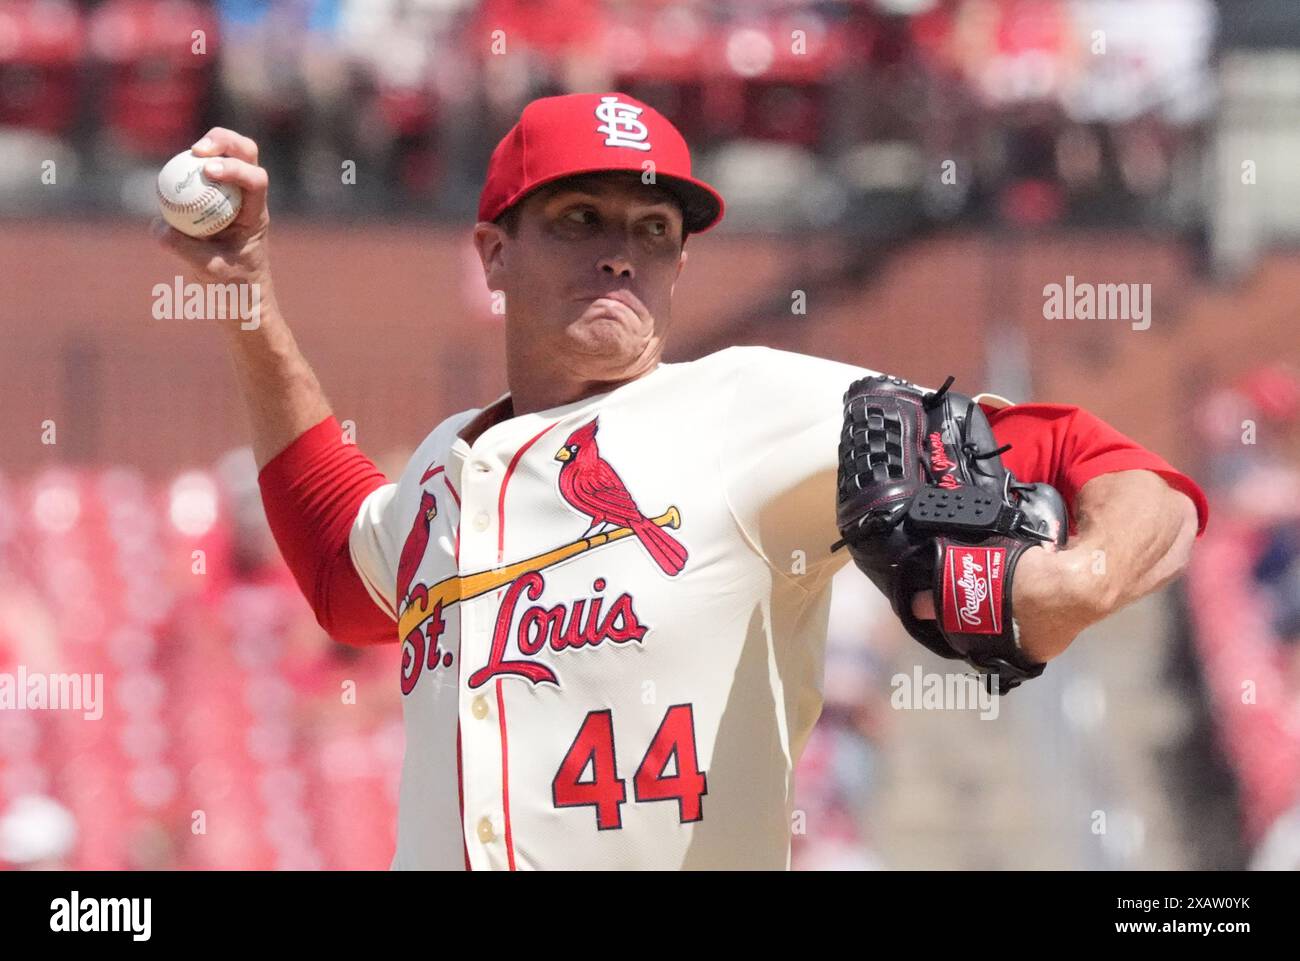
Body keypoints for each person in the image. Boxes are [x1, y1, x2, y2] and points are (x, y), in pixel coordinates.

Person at [154, 92, 1208, 870]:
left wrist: (1082, 577)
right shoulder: (443, 464)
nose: (623, 254)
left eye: (653, 230)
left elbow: (1096, 456)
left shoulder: (754, 408)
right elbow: (346, 572)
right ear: (493, 251)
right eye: (580, 219)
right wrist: (248, 301)